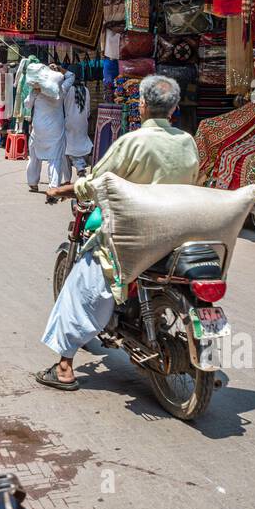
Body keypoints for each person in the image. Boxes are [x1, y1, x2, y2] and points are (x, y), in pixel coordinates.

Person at [35, 75, 199, 392]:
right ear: (174, 109)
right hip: (175, 236)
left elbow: (96, 183)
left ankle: (65, 367)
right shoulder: (187, 142)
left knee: (79, 288)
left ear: (142, 106)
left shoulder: (132, 142)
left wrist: (65, 189)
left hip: (131, 240)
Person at [25, 64, 68, 194]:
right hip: (55, 129)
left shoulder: (35, 91)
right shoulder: (62, 89)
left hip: (38, 129)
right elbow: (71, 76)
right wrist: (60, 69)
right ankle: (53, 186)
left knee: (34, 156)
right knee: (55, 158)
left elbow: (27, 105)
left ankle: (32, 182)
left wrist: (34, 93)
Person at [61, 70, 92, 181]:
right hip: (83, 123)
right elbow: (88, 110)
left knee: (66, 150)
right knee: (76, 147)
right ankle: (80, 166)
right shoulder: (86, 90)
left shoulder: (66, 89)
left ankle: (77, 169)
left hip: (68, 122)